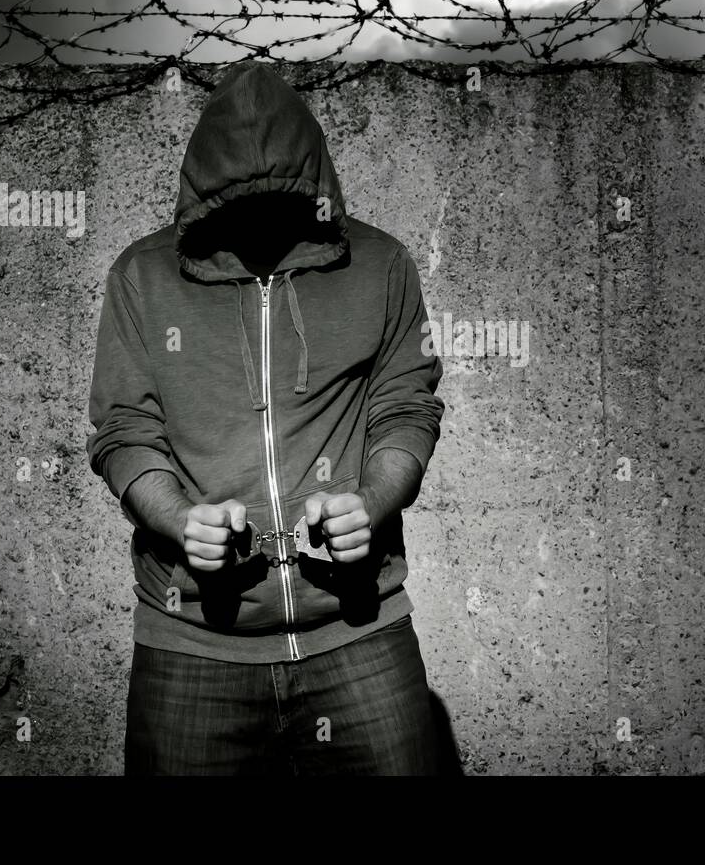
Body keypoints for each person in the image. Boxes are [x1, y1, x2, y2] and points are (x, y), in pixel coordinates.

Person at [85, 61, 445, 775]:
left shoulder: (381, 264)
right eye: (234, 207)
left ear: (313, 186)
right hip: (190, 644)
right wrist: (181, 520)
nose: (256, 229)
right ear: (202, 195)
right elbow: (124, 432)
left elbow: (407, 408)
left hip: (359, 629)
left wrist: (368, 505)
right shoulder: (141, 278)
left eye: (278, 203)